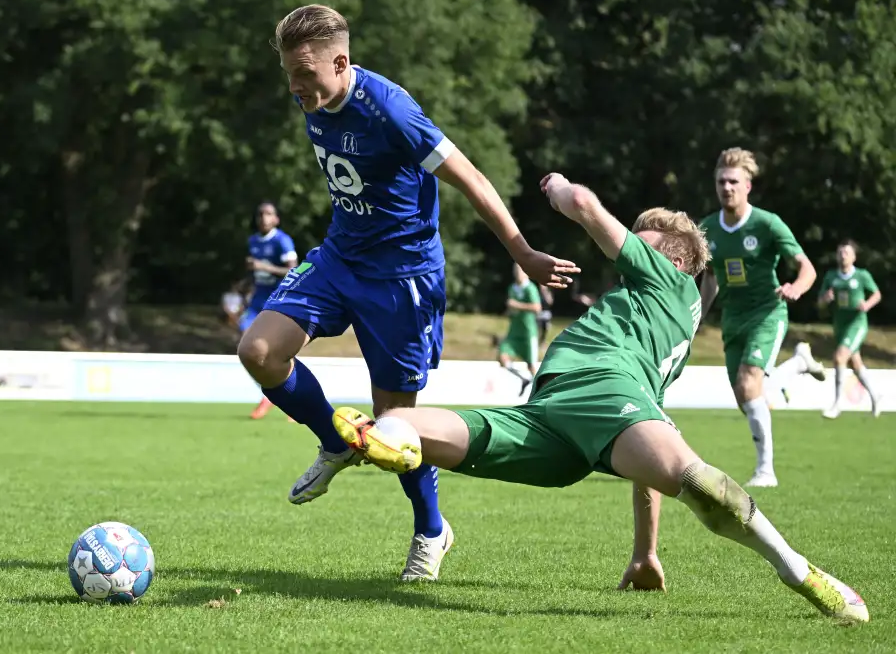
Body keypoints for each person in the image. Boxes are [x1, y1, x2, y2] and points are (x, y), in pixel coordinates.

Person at [329, 173, 868, 625]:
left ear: (674, 259)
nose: (630, 247)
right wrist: (645, 553)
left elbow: (585, 206)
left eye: (643, 240)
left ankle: (797, 569)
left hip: (588, 394)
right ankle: (381, 438)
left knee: (698, 480)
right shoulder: (666, 333)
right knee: (408, 421)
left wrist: (558, 185)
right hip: (564, 417)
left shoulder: (669, 279)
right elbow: (649, 440)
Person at [237, 4, 577, 581]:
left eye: (305, 73)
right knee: (259, 352)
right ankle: (334, 441)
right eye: (289, 75)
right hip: (340, 258)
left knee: (396, 426)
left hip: (403, 278)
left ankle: (431, 530)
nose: (296, 87)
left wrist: (521, 251)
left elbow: (469, 175)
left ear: (340, 62)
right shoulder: (315, 98)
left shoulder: (391, 109)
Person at [698, 148, 825, 489]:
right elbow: (709, 277)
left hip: (767, 313)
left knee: (748, 383)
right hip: (733, 319)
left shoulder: (767, 223)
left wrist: (797, 288)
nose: (727, 187)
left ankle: (765, 472)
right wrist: (695, 316)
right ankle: (797, 365)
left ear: (748, 186)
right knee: (747, 397)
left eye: (734, 181)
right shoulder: (708, 228)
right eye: (721, 181)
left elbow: (807, 268)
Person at [241, 202, 299, 421]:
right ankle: (269, 394)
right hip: (257, 302)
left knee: (279, 352)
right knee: (246, 348)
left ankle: (292, 398)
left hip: (279, 302)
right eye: (260, 214)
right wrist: (244, 287)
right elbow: (255, 273)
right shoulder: (253, 241)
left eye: (268, 214)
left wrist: (263, 267)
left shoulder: (282, 241)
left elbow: (294, 271)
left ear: (276, 219)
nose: (264, 217)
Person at [818, 240, 882, 419]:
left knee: (839, 357)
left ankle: (837, 404)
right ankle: (875, 396)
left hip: (857, 324)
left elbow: (876, 294)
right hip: (840, 325)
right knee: (855, 364)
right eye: (840, 252)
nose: (842, 255)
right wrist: (826, 298)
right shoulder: (831, 276)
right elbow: (820, 304)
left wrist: (867, 304)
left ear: (854, 257)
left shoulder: (861, 276)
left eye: (846, 252)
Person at [497, 264, 541, 398]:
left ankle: (542, 395)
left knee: (532, 366)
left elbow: (536, 307)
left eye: (520, 271)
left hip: (528, 333)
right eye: (515, 271)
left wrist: (517, 305)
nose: (517, 273)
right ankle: (523, 378)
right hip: (513, 333)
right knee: (502, 357)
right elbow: (512, 308)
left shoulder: (530, 288)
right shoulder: (512, 288)